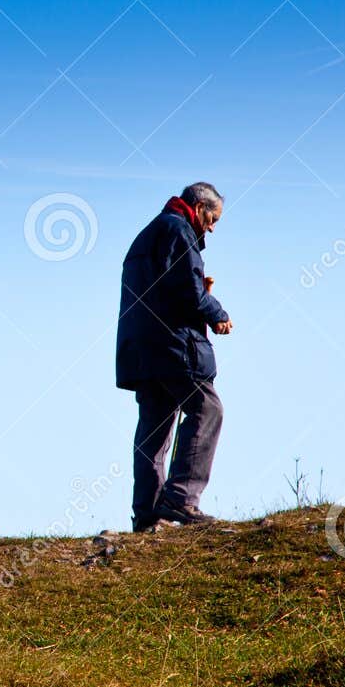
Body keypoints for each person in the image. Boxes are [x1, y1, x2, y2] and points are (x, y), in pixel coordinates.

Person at [115, 184, 233, 531]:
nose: (212, 228)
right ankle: (181, 499)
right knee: (208, 409)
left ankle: (148, 513)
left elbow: (164, 288)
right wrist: (217, 311)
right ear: (198, 207)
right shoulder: (178, 230)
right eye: (212, 219)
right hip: (173, 346)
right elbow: (188, 293)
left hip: (141, 350)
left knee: (154, 429)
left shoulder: (148, 234)